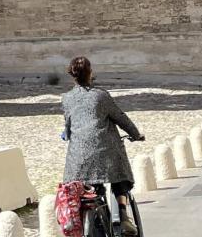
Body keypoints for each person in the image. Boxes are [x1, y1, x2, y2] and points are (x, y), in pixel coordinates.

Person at [61, 54, 144, 237]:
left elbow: (67, 126)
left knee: (92, 189)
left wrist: (67, 134)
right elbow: (120, 118)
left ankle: (94, 223)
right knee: (120, 177)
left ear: (72, 75)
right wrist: (136, 134)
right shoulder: (101, 96)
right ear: (90, 73)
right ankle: (123, 216)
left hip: (78, 158)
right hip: (105, 153)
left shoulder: (66, 98)